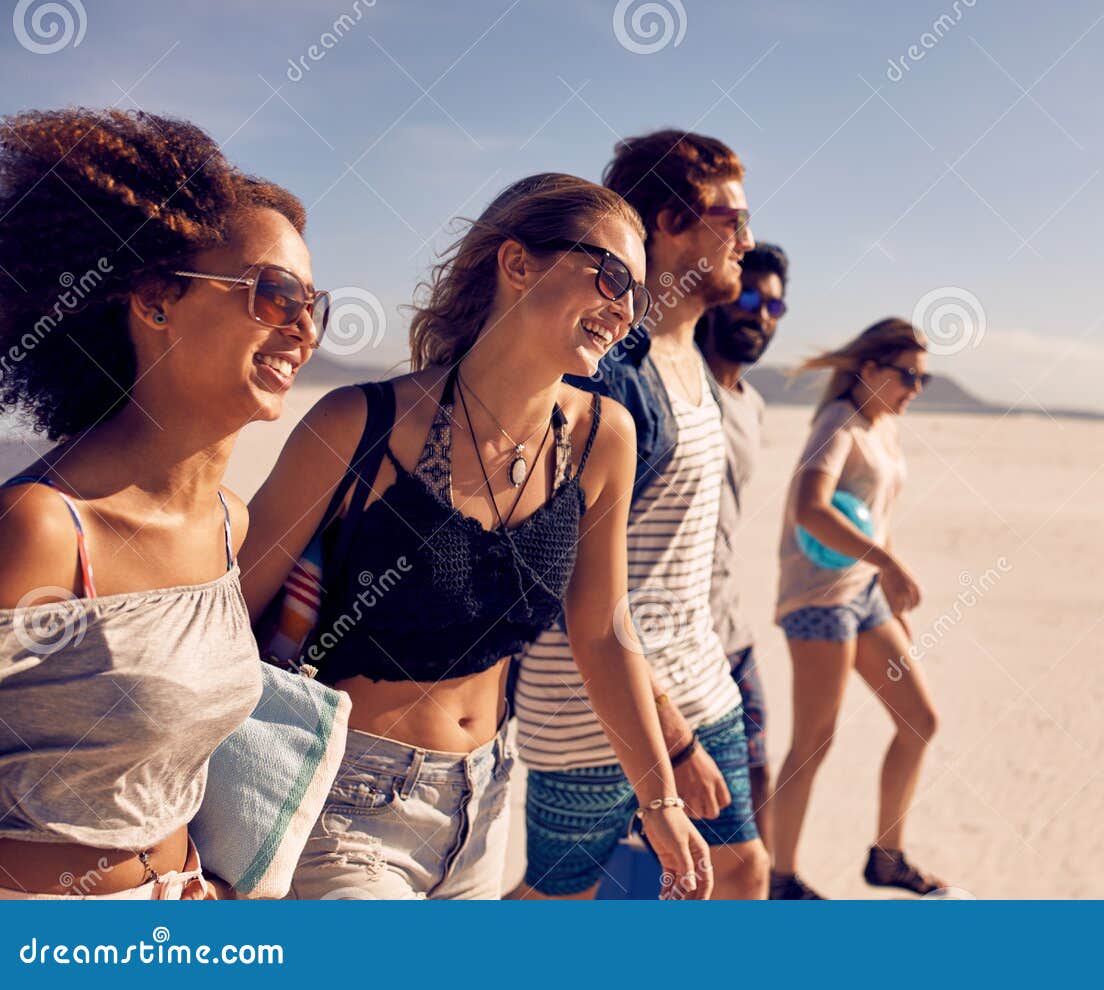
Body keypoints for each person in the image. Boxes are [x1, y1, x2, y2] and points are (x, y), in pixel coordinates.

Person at [239, 173, 710, 899]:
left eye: (637, 297)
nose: (624, 312)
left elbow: (603, 633)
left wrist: (661, 800)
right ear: (518, 263)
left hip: (486, 807)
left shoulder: (601, 437)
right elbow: (230, 619)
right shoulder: (356, 425)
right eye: (612, 276)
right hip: (342, 808)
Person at [0, 108, 320, 898]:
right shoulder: (40, 528)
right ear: (155, 301)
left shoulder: (229, 524)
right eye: (276, 295)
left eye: (315, 304)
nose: (304, 329)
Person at [511, 130, 769, 900]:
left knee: (739, 872)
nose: (748, 244)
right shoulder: (612, 377)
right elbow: (571, 592)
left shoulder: (699, 368)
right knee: (559, 902)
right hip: (592, 708)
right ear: (667, 224)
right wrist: (673, 742)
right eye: (731, 221)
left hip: (699, 679)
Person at [767, 318, 950, 899]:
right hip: (818, 601)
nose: (915, 390)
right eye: (906, 376)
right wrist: (890, 565)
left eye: (924, 378)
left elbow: (873, 517)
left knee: (920, 720)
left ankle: (886, 857)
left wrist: (888, 587)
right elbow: (809, 510)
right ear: (868, 369)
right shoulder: (836, 423)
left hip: (863, 595)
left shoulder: (883, 427)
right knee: (813, 743)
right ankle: (781, 879)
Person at [694, 242, 790, 844]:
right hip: (664, 632)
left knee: (756, 771)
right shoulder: (674, 385)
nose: (760, 315)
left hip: (730, 628)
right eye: (750, 297)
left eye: (776, 306)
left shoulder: (752, 404)